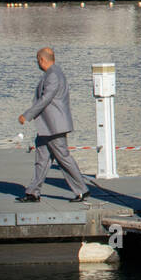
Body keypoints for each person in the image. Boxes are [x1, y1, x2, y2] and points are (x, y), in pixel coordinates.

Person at [18, 47, 91, 203]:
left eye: (37, 60)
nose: (37, 63)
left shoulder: (53, 76)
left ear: (42, 60)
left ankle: (82, 190)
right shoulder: (55, 73)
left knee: (63, 158)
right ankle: (33, 192)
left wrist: (27, 115)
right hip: (47, 126)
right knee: (42, 158)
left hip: (54, 126)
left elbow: (45, 99)